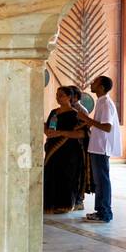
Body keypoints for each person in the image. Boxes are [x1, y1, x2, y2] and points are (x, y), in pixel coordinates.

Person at [76, 75, 121, 223]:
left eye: (95, 82)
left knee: (102, 181)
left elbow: (107, 127)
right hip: (97, 147)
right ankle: (100, 211)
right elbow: (97, 123)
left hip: (102, 148)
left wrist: (86, 119)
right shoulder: (101, 102)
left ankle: (105, 213)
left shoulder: (106, 104)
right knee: (99, 181)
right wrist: (85, 124)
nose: (92, 83)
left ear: (101, 87)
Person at [43, 86, 87, 214]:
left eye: (61, 95)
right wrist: (47, 131)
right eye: (57, 95)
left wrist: (61, 133)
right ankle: (50, 204)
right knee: (51, 175)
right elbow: (49, 128)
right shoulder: (54, 112)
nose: (58, 97)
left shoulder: (75, 115)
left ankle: (64, 205)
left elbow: (82, 134)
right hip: (52, 149)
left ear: (69, 97)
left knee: (66, 177)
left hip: (68, 152)